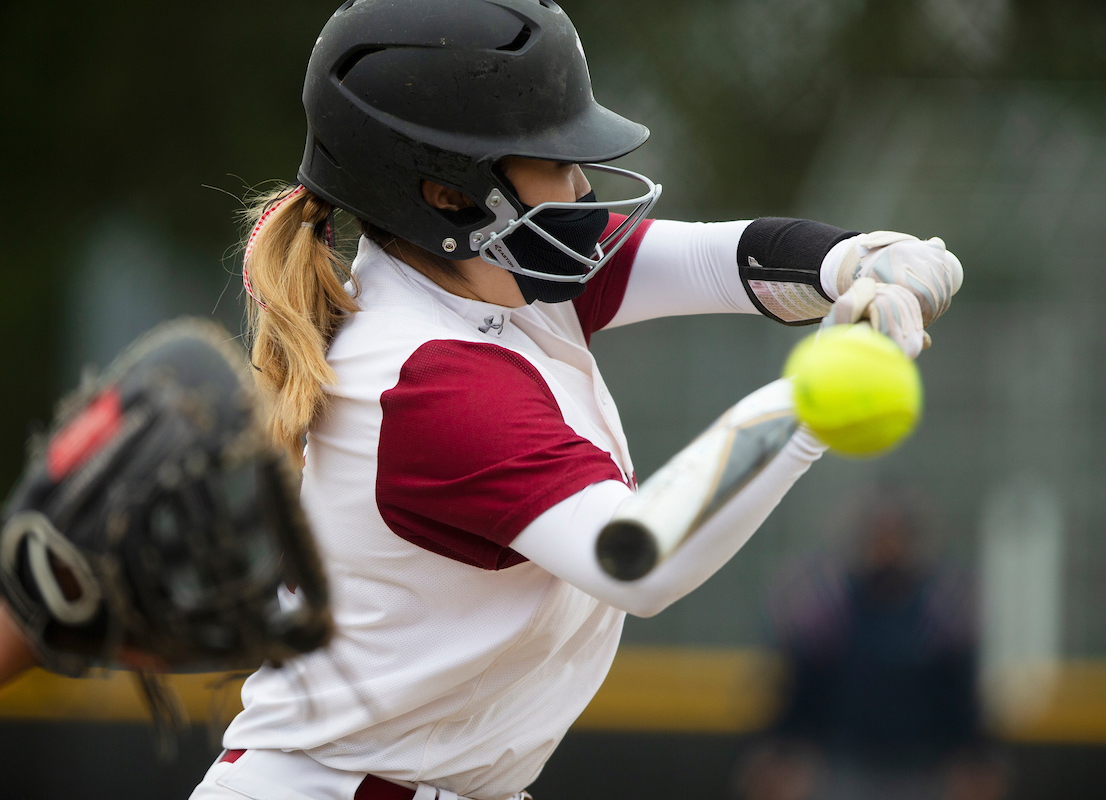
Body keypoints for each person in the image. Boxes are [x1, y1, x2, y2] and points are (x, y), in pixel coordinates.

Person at [187, 2, 963, 800]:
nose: (581, 183)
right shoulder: (429, 378)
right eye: (552, 160)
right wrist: (812, 402)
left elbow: (718, 261)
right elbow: (636, 558)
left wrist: (859, 261)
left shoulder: (502, 278)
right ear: (447, 195)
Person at [736, 487, 1007, 800]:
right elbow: (800, 691)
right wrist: (779, 751)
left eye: (896, 533)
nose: (887, 545)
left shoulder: (941, 609)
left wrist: (977, 757)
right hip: (842, 763)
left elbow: (960, 696)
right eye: (879, 533)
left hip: (920, 767)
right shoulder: (829, 605)